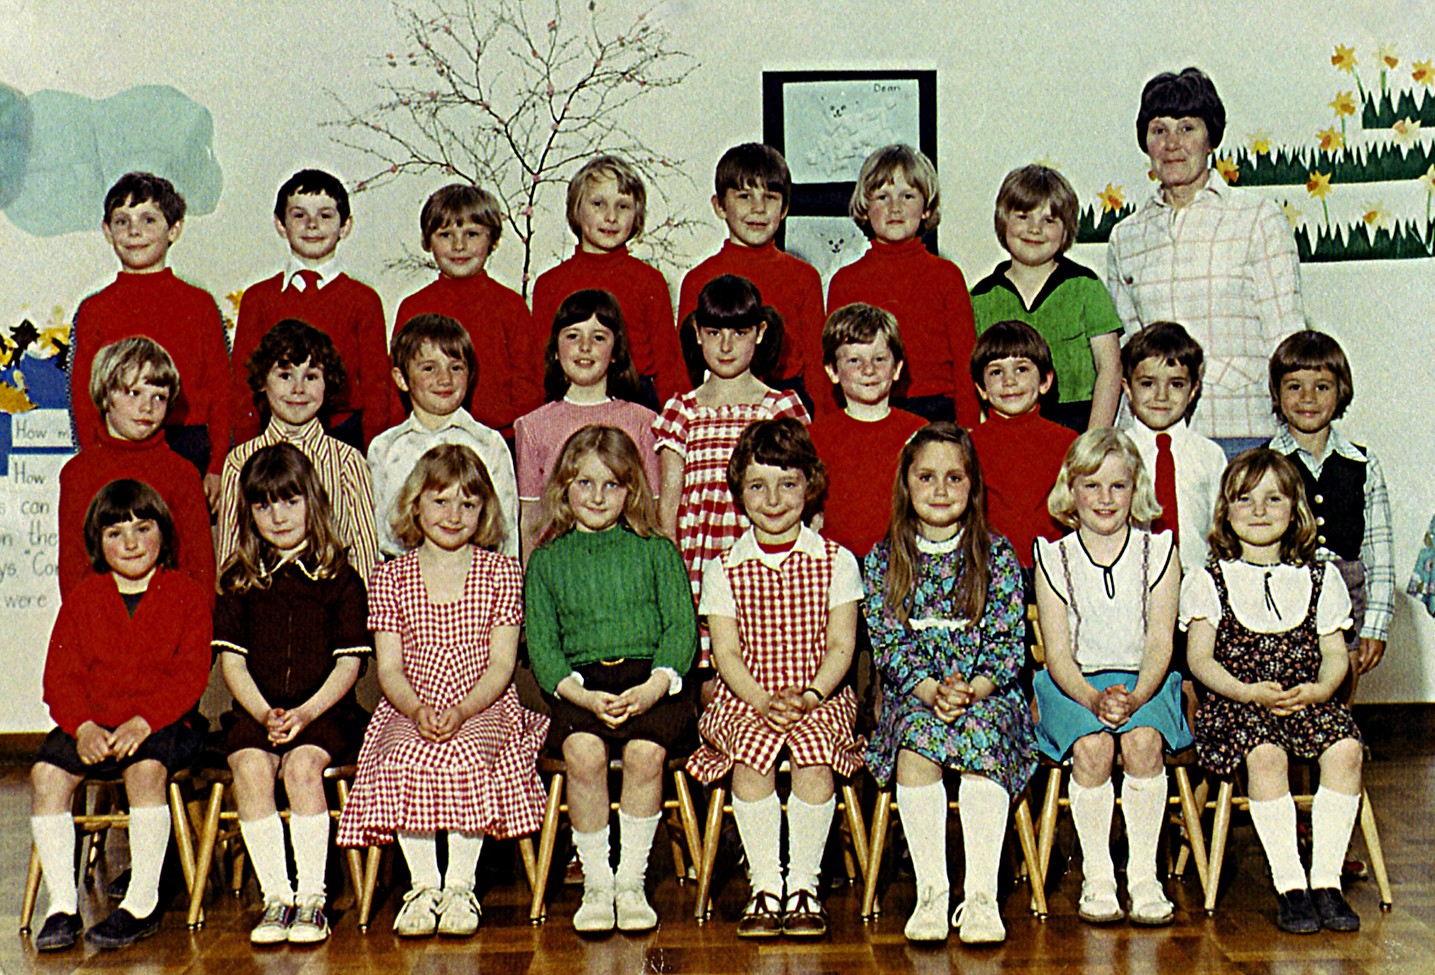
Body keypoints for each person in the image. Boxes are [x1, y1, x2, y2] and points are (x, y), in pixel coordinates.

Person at [336, 445, 547, 938]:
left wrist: (465, 707)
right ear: (415, 505)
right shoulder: (391, 576)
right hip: (411, 700)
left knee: (467, 754)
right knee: (402, 754)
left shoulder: (500, 573)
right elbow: (388, 668)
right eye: (440, 501)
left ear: (485, 511)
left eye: (468, 504)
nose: (454, 515)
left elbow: (501, 665)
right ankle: (423, 883)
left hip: (483, 701)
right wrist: (417, 707)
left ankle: (460, 885)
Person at [686, 418, 863, 940]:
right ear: (739, 493)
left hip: (818, 693)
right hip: (749, 696)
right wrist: (762, 700)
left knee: (814, 757)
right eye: (758, 486)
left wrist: (810, 695)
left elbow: (841, 646)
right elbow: (727, 654)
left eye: (788, 483)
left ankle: (804, 885)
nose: (774, 498)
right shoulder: (724, 568)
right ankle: (765, 885)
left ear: (810, 486)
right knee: (751, 758)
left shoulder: (836, 561)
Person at [862, 424, 1036, 944]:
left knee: (983, 738)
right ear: (906, 485)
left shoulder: (996, 554)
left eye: (954, 478)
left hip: (986, 693)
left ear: (973, 486)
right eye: (927, 477)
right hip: (913, 695)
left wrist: (972, 690)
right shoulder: (884, 558)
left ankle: (980, 892)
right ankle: (932, 890)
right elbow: (889, 645)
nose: (940, 490)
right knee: (917, 749)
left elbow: (1008, 645)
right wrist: (929, 690)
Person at [1182, 448, 1364, 934]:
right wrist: (1245, 692)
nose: (1259, 511)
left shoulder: (1320, 578)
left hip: (1306, 698)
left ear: (1295, 509)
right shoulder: (1209, 580)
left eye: (1273, 499)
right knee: (1265, 756)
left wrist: (1321, 689)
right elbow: (1200, 660)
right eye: (1245, 499)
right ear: (1225, 511)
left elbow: (1335, 654)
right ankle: (1290, 884)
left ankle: (1326, 880)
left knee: (1346, 749)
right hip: (1238, 704)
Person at [524, 426, 697, 933]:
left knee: (645, 754)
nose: (597, 497)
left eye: (612, 485)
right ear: (563, 489)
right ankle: (598, 881)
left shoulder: (657, 551)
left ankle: (631, 881)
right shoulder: (548, 560)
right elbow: (543, 647)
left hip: (653, 682)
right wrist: (581, 694)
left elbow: (680, 631)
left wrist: (651, 689)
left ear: (632, 490)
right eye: (584, 483)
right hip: (580, 684)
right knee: (584, 753)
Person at [30, 481, 210, 951]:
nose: (130, 543)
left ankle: (141, 900)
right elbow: (60, 678)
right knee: (47, 774)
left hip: (163, 722)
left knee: (145, 770)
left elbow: (190, 677)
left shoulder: (185, 595)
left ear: (163, 534)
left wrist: (145, 721)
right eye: (115, 532)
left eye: (142, 528)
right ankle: (62, 905)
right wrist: (84, 725)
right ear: (98, 542)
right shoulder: (85, 598)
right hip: (92, 721)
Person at [215, 444, 371, 945]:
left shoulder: (339, 579)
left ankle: (312, 898)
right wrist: (262, 713)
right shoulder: (240, 581)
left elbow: (349, 663)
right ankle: (276, 896)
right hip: (259, 712)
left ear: (313, 502)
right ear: (249, 513)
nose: (277, 516)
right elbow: (231, 662)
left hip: (323, 711)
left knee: (303, 769)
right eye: (263, 506)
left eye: (289, 501)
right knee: (251, 767)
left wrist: (304, 713)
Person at [1032, 429, 1189, 926]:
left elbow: (1162, 642)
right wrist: (1094, 700)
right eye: (1092, 485)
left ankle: (1143, 875)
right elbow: (1057, 654)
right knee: (1094, 748)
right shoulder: (1053, 558)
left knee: (1143, 744)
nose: (1105, 498)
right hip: (1074, 684)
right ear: (1071, 489)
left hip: (1147, 679)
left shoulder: (1159, 551)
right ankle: (1098, 873)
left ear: (1136, 489)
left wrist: (1138, 694)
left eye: (1118, 487)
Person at [1106, 67, 1304, 446]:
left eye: (1187, 128)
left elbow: (1288, 338)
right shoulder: (1125, 237)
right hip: (1157, 441)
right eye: (1159, 130)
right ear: (1145, 142)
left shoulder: (1258, 218)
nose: (1171, 144)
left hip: (1244, 430)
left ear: (1211, 137)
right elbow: (1126, 355)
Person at [69, 172, 232, 504]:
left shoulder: (199, 304)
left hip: (189, 446)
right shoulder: (94, 309)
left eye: (148, 219)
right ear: (106, 231)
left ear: (174, 229)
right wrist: (93, 459)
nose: (134, 231)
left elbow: (221, 388)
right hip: (118, 448)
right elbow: (83, 397)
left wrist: (217, 466)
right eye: (122, 221)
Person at [655, 274, 809, 622]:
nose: (726, 347)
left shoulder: (779, 407)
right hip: (698, 560)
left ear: (760, 332)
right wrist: (669, 571)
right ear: (697, 333)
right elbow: (668, 502)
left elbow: (801, 491)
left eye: (739, 333)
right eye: (714, 333)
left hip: (762, 551)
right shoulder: (683, 410)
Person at [231, 169, 390, 450]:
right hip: (274, 434)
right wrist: (248, 449)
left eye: (325, 215)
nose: (312, 225)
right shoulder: (259, 298)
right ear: (280, 224)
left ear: (346, 226)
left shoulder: (363, 300)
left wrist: (374, 455)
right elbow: (243, 384)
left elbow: (377, 389)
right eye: (299, 215)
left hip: (344, 433)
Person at [1266, 330, 1392, 678]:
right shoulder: (1263, 463)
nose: (1308, 397)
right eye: (1295, 386)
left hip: (1347, 597)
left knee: (1338, 706)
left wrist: (1375, 627)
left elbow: (1379, 554)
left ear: (1341, 392)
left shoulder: (1364, 464)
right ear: (1277, 392)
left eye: (1321, 386)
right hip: (1282, 594)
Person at [219, 320, 379, 588]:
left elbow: (365, 557)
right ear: (262, 381)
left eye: (311, 377)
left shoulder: (347, 460)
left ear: (327, 384)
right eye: (285, 376)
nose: (298, 389)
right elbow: (230, 555)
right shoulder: (240, 461)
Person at [826, 145, 978, 426]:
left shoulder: (947, 275)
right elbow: (836, 365)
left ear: (925, 208)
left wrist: (968, 427)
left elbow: (966, 362)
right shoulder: (845, 283)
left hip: (936, 410)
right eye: (882, 197)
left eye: (907, 196)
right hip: (866, 407)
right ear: (865, 208)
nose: (895, 207)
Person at [58, 337, 214, 601]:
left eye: (160, 397)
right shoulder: (78, 473)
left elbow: (201, 571)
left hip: (170, 617)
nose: (147, 407)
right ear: (106, 394)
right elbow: (73, 570)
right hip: (101, 622)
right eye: (134, 393)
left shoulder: (182, 473)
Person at [969, 164, 1123, 432]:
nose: (1035, 229)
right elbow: (972, 378)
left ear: (1066, 230)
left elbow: (1109, 367)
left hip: (1077, 425)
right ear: (1003, 221)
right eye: (1023, 217)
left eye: (1049, 220)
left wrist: (1094, 438)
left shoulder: (1086, 287)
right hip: (1005, 426)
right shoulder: (981, 296)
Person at [531, 156, 688, 409]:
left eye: (623, 206)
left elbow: (669, 367)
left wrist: (676, 426)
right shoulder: (550, 284)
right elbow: (541, 367)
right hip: (571, 398)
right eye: (598, 204)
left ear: (637, 214)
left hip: (637, 400)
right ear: (576, 209)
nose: (611, 216)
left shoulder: (650, 281)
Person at [515, 290, 660, 561]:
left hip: (625, 566)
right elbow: (530, 522)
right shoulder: (532, 427)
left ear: (616, 352)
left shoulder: (644, 422)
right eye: (573, 336)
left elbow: (651, 513)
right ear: (555, 350)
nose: (585, 347)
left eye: (598, 337)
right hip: (561, 567)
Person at [390, 183, 543, 438]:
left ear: (492, 240)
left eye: (472, 234)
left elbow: (529, 382)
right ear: (427, 241)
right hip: (428, 436)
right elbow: (399, 386)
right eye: (445, 235)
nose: (458, 246)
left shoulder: (510, 305)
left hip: (500, 437)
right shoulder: (413, 307)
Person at [678, 143, 823, 409]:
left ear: (785, 208)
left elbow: (817, 368)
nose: (758, 208)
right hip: (718, 401)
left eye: (770, 197)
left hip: (787, 402)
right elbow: (687, 369)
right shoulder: (698, 279)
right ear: (720, 206)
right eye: (744, 197)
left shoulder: (804, 276)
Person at [369, 313, 518, 559]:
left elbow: (507, 536)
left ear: (470, 375)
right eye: (429, 368)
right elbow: (379, 538)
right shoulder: (385, 447)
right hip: (407, 583)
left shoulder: (488, 443)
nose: (444, 379)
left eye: (456, 368)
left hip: (475, 579)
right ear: (402, 379)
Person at [807, 302, 924, 561]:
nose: (868, 370)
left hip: (903, 562)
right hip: (837, 565)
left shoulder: (919, 433)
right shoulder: (814, 437)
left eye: (879, 359)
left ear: (897, 368)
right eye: (854, 360)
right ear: (832, 370)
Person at [1119, 321, 1226, 580]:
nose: (1161, 396)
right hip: (1131, 581)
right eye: (1147, 384)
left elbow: (1222, 527)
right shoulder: (1117, 453)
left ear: (1193, 391)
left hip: (1198, 581)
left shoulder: (1210, 455)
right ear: (1127, 389)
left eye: (1176, 384)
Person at [967, 321, 1076, 575]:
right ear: (981, 388)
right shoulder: (968, 445)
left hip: (1054, 569)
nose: (1009, 381)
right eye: (996, 372)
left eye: (1022, 369)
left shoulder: (1068, 442)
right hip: (988, 572)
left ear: (1045, 381)